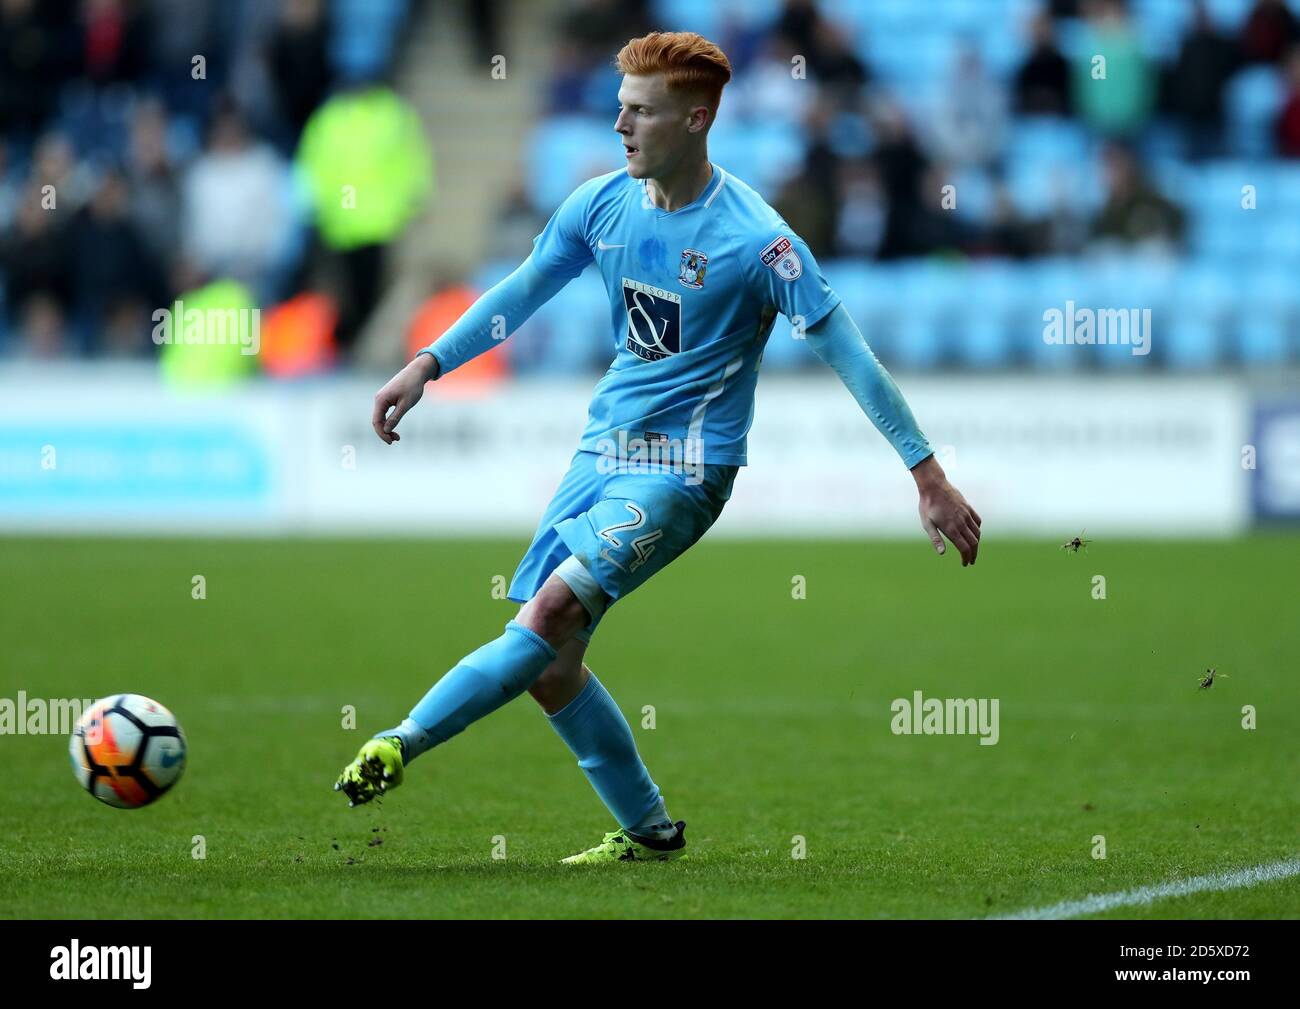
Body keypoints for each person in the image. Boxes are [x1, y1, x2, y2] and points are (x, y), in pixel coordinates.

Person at [335, 31, 982, 863]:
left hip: (686, 468)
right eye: (618, 110)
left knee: (548, 614)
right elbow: (522, 289)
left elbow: (849, 352)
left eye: (639, 113)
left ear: (696, 118)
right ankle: (649, 832)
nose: (620, 127)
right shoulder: (602, 204)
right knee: (551, 665)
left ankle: (401, 740)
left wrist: (926, 473)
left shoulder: (759, 241)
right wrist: (428, 362)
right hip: (599, 452)